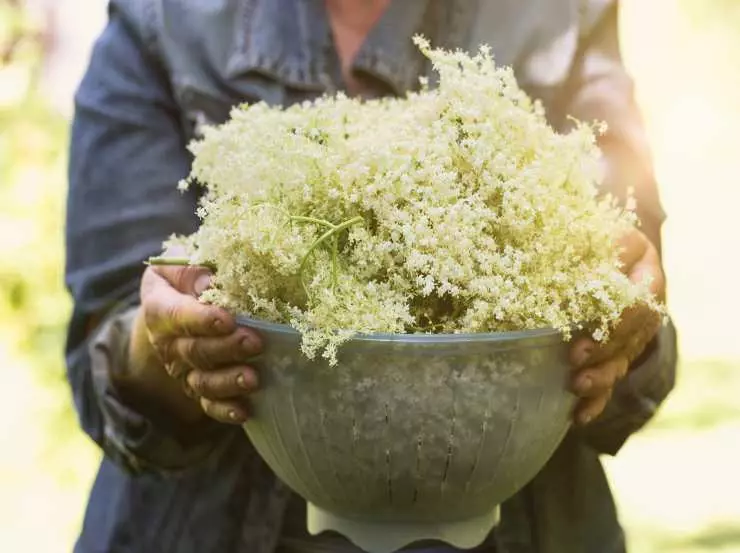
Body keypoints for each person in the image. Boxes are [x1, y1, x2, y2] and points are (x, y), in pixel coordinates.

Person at [65, 1, 677, 552]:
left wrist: (624, 318)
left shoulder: (560, 15)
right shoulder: (163, 20)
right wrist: (169, 343)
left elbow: (635, 311)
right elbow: (108, 365)